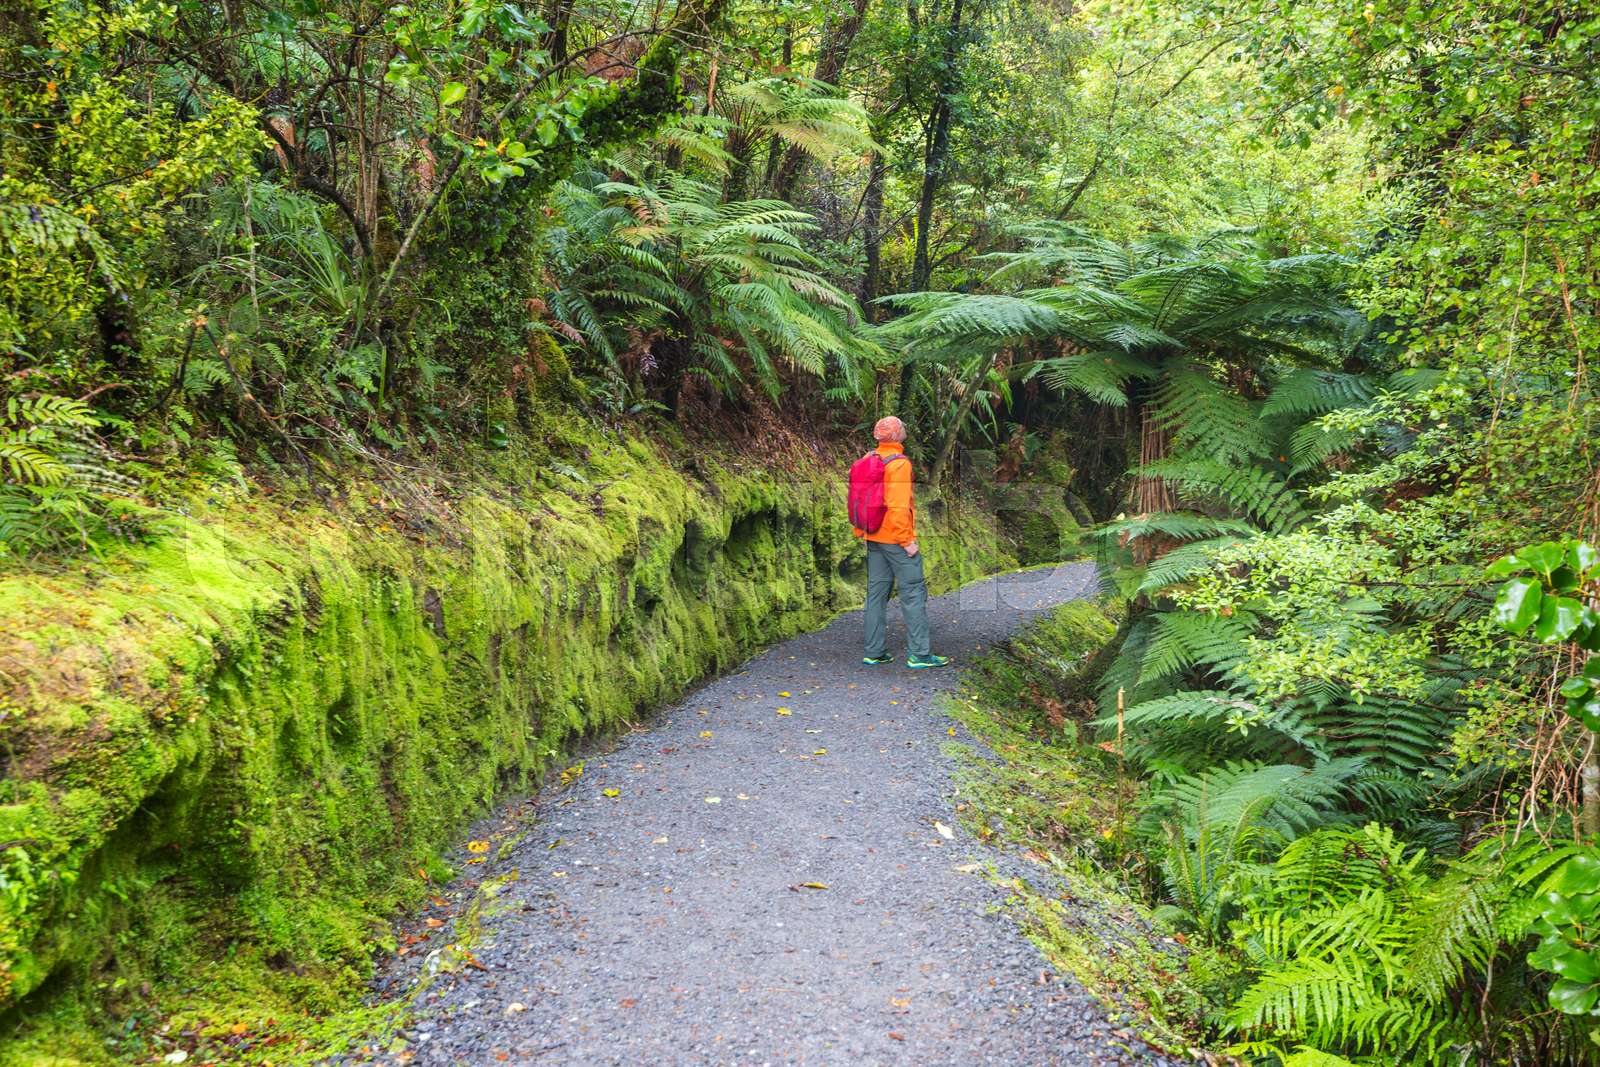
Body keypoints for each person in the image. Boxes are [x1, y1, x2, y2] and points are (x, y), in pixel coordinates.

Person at [853, 416, 949, 668]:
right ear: (896, 436)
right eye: (902, 427)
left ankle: (874, 652)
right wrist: (906, 541)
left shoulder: (868, 459)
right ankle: (920, 654)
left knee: (876, 595)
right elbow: (897, 507)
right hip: (895, 540)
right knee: (913, 593)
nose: (905, 428)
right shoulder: (899, 464)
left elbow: (857, 498)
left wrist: (861, 531)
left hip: (873, 536)